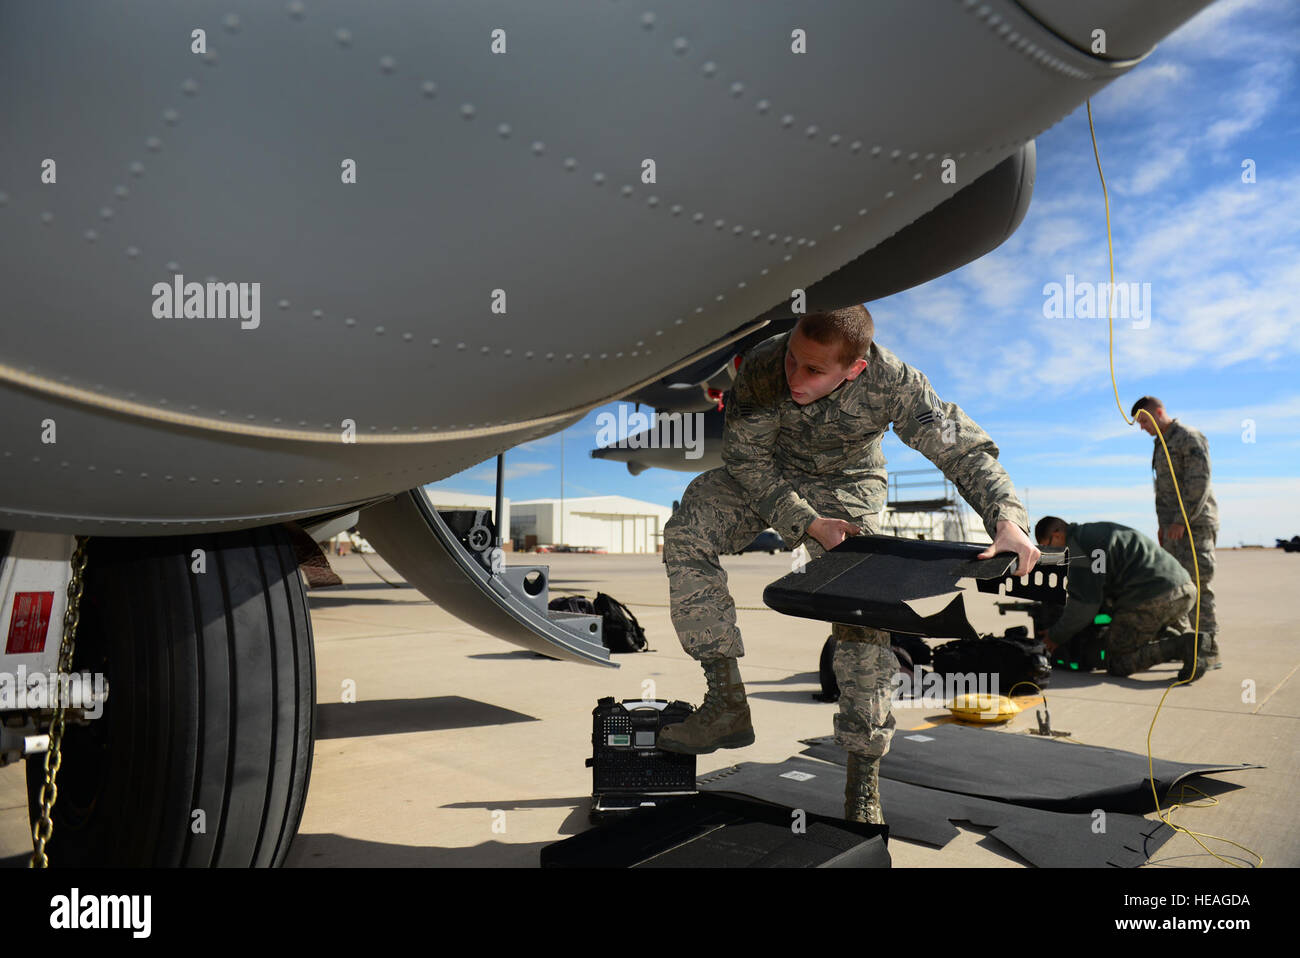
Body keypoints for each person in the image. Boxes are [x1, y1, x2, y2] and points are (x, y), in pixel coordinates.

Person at [660, 306, 1040, 824]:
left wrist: (1007, 517)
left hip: (848, 487)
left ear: (854, 369)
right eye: (794, 358)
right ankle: (725, 700)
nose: (795, 376)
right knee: (687, 530)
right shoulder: (766, 364)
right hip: (771, 479)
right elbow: (747, 461)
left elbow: (961, 449)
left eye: (814, 370)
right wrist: (806, 522)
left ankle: (863, 775)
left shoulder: (893, 382)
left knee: (860, 610)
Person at [1034, 516, 1209, 680]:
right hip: (1184, 590)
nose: (1049, 553)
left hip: (1154, 599)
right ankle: (1179, 640)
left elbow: (1085, 606)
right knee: (1128, 630)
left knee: (1117, 662)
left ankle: (1184, 646)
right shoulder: (1093, 533)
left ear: (1056, 535)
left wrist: (1055, 636)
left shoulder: (1079, 549)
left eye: (1047, 547)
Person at [1130, 396, 1220, 675]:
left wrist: (1182, 520)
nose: (1142, 427)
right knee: (1177, 588)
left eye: (1144, 420)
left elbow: (1199, 482)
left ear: (1159, 412)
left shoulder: (1188, 437)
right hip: (1171, 529)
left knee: (1198, 585)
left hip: (1194, 526)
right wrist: (1163, 524)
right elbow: (1163, 491)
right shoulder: (1160, 445)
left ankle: (1209, 650)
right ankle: (1184, 646)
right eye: (1139, 423)